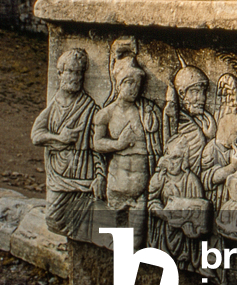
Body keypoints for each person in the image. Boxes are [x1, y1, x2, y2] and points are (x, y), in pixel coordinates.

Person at [31, 48, 105, 241]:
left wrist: (100, 175)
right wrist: (59, 139)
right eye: (71, 71)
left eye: (79, 73)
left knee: (87, 227)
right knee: (54, 220)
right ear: (60, 73)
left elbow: (96, 146)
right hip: (58, 176)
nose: (75, 77)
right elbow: (36, 136)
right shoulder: (54, 105)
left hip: (84, 178)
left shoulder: (89, 107)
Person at [93, 43, 162, 248]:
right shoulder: (106, 113)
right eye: (129, 83)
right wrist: (118, 144)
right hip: (117, 184)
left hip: (140, 188)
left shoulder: (145, 111)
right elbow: (97, 143)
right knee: (114, 243)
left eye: (137, 84)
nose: (134, 89)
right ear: (119, 84)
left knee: (136, 242)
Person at [148, 137, 210, 270]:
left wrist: (190, 224)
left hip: (185, 237)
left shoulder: (192, 180)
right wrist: (162, 213)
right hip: (164, 232)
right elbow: (152, 201)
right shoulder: (161, 178)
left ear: (184, 159)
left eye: (176, 157)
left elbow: (200, 210)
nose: (172, 162)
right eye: (169, 156)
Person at [163, 65, 216, 175]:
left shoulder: (202, 120)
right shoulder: (176, 119)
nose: (201, 98)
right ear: (182, 93)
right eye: (195, 91)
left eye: (203, 92)